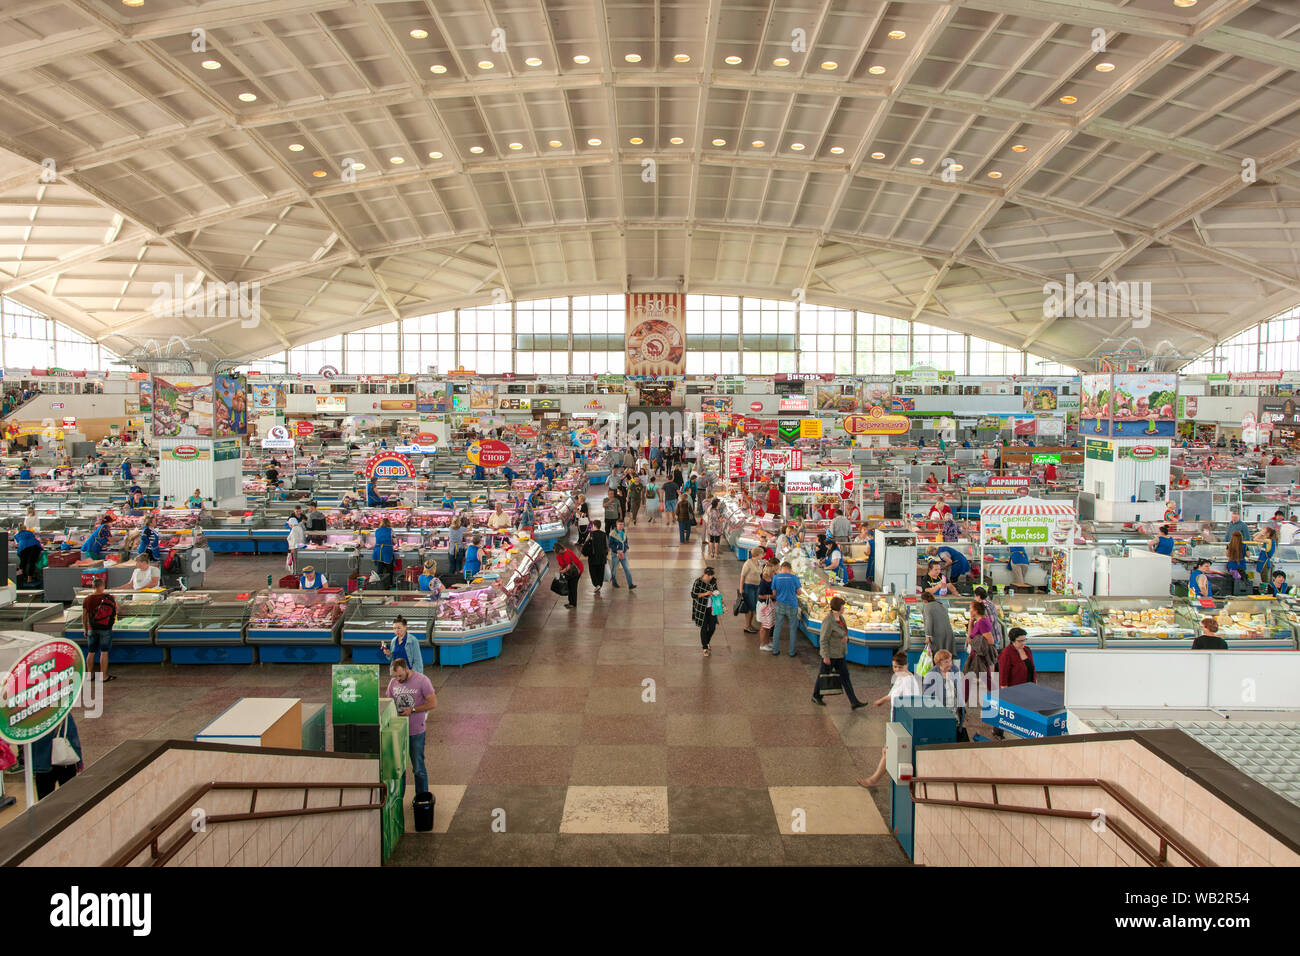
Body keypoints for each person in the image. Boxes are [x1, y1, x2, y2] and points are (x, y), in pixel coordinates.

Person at [857, 652, 922, 788]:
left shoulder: (909, 682)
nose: (897, 670)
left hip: (902, 724)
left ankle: (873, 780)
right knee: (887, 751)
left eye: (899, 667)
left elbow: (911, 704)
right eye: (894, 667)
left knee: (888, 751)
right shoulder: (900, 678)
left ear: (907, 666)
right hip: (895, 721)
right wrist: (882, 700)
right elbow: (892, 694)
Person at [387, 656, 436, 796]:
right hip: (398, 731)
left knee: (418, 767)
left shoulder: (422, 681)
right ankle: (398, 798)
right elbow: (389, 702)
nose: (398, 679)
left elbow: (433, 703)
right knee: (398, 767)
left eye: (400, 675)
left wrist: (412, 709)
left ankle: (422, 797)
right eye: (395, 676)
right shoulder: (393, 683)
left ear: (407, 669)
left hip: (416, 731)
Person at [812, 596, 867, 709]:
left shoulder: (841, 619)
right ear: (838, 608)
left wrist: (847, 638)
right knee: (823, 675)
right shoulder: (828, 621)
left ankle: (854, 701)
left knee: (845, 677)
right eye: (843, 607)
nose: (844, 609)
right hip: (831, 654)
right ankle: (816, 696)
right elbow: (823, 639)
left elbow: (844, 632)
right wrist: (825, 656)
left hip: (840, 653)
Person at [31, 711, 82, 800]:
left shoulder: (34, 717)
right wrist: (79, 761)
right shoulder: (63, 713)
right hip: (65, 762)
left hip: (42, 765)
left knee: (44, 802)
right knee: (69, 799)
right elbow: (73, 738)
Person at [82, 576, 118, 683]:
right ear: (103, 586)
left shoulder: (87, 599)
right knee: (104, 652)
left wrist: (85, 629)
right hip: (105, 628)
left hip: (91, 628)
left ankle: (89, 675)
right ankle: (103, 676)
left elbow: (84, 616)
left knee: (91, 652)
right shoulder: (109, 597)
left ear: (93, 586)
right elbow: (115, 611)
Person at [770, 560, 802, 657]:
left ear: (781, 568)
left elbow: (774, 594)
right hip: (792, 605)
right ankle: (791, 651)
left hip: (780, 604)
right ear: (790, 569)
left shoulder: (775, 577)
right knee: (792, 629)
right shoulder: (794, 578)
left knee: (777, 627)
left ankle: (775, 650)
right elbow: (799, 592)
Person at [923, 649, 962, 725]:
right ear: (939, 663)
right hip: (939, 712)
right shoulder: (931, 675)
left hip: (954, 711)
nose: (950, 664)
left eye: (950, 661)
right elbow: (926, 696)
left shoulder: (954, 670)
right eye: (946, 662)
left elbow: (958, 688)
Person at [690, 566, 722, 657]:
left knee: (712, 628)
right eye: (709, 575)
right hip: (701, 609)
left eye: (712, 575)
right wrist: (705, 594)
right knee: (703, 628)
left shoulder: (713, 581)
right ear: (705, 574)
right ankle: (704, 647)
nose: (710, 577)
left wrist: (716, 593)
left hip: (712, 608)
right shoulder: (698, 582)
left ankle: (707, 642)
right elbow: (693, 594)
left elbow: (716, 590)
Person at [920, 590, 955, 657]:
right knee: (946, 657)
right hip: (948, 634)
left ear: (924, 601)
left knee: (938, 657)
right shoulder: (941, 605)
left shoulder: (927, 607)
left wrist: (928, 636)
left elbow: (929, 622)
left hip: (938, 635)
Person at [740, 551, 764, 634]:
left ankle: (749, 625)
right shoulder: (748, 563)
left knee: (753, 607)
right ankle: (747, 626)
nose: (763, 555)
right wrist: (741, 589)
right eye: (762, 554)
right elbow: (742, 576)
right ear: (757, 555)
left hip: (756, 587)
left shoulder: (759, 563)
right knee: (750, 607)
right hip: (748, 587)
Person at [582, 518, 608, 595]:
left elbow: (585, 544)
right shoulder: (604, 534)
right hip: (601, 558)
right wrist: (605, 554)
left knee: (593, 572)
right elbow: (606, 546)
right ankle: (599, 584)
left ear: (594, 526)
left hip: (592, 558)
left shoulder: (591, 534)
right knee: (600, 572)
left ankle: (596, 584)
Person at [608, 518, 635, 590]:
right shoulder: (612, 533)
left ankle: (630, 584)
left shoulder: (624, 531)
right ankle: (614, 582)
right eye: (620, 524)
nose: (621, 526)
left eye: (622, 524)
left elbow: (625, 541)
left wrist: (626, 547)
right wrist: (617, 551)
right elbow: (610, 544)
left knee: (627, 569)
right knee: (614, 569)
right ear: (616, 525)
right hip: (615, 554)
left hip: (623, 553)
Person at [555, 541, 584, 609]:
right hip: (569, 573)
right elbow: (561, 564)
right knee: (569, 587)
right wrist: (559, 569)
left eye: (557, 552)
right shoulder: (559, 555)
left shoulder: (567, 554)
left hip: (576, 571)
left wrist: (562, 571)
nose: (556, 554)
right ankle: (570, 602)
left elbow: (569, 566)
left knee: (573, 587)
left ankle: (573, 604)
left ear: (560, 550)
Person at [371, 517, 395, 588]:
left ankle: (379, 584)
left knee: (380, 569)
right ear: (389, 523)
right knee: (389, 569)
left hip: (378, 551)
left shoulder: (377, 530)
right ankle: (390, 584)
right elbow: (395, 541)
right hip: (387, 551)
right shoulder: (391, 531)